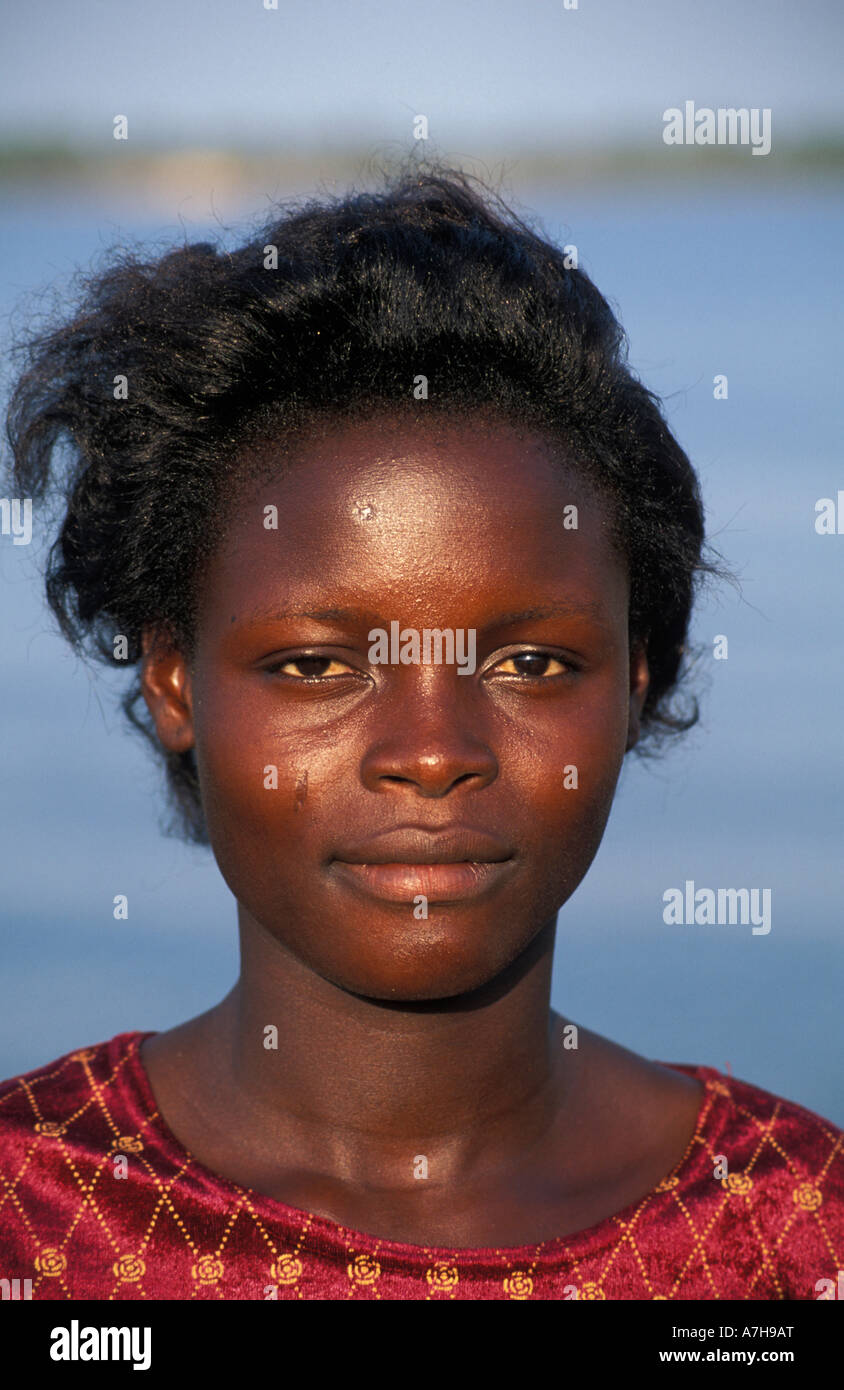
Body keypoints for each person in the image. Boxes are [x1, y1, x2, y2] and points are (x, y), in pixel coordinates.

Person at [1, 160, 841, 1301]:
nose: (433, 750)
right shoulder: (33, 1211)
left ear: (635, 679)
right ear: (174, 680)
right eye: (316, 664)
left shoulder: (791, 1229)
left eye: (530, 662)